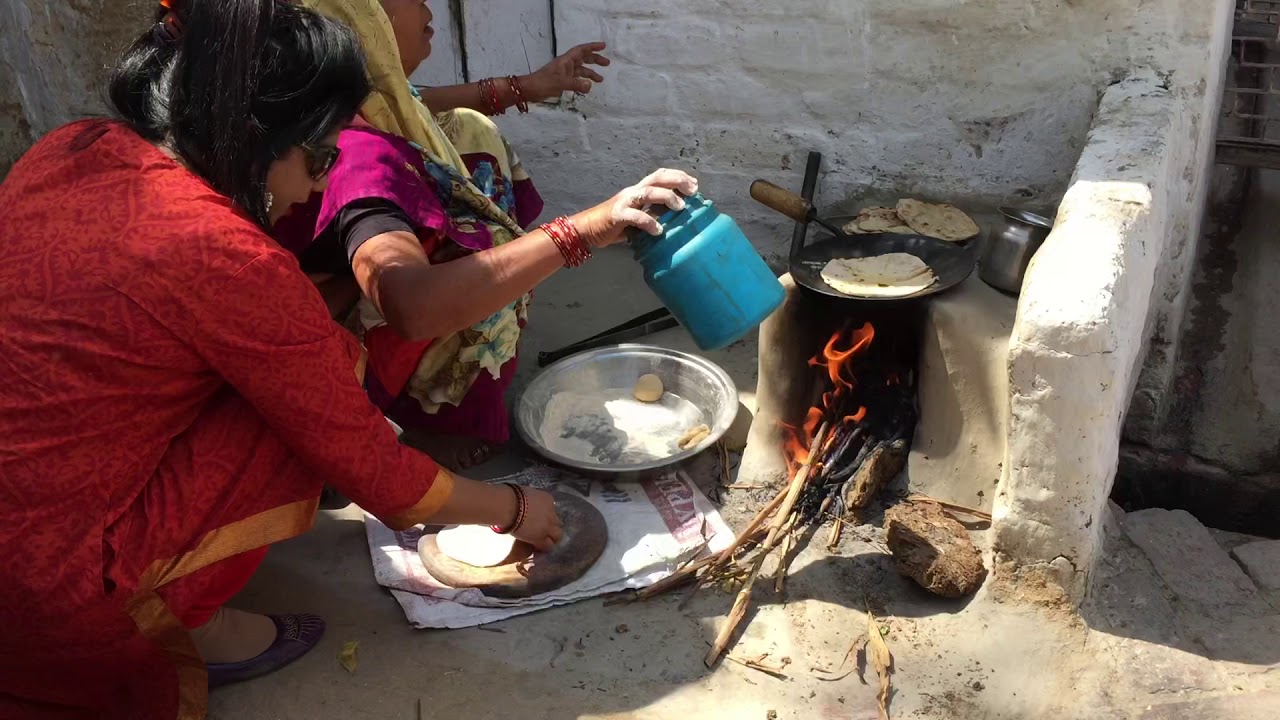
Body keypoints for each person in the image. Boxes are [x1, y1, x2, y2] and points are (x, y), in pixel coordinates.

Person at [0, 0, 693, 718]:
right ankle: (195, 624)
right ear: (258, 136)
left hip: (29, 502)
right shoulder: (225, 254)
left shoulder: (73, 147)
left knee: (311, 355)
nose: (317, 184)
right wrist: (516, 509)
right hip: (49, 583)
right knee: (318, 394)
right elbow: (373, 465)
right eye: (321, 157)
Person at [274, 0, 650, 471]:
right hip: (326, 345)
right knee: (492, 251)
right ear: (365, 24)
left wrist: (527, 86)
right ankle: (421, 416)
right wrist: (579, 233)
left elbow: (417, 101)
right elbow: (411, 307)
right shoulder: (359, 156)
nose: (426, 5)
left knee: (471, 132)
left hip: (334, 284)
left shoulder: (356, 108)